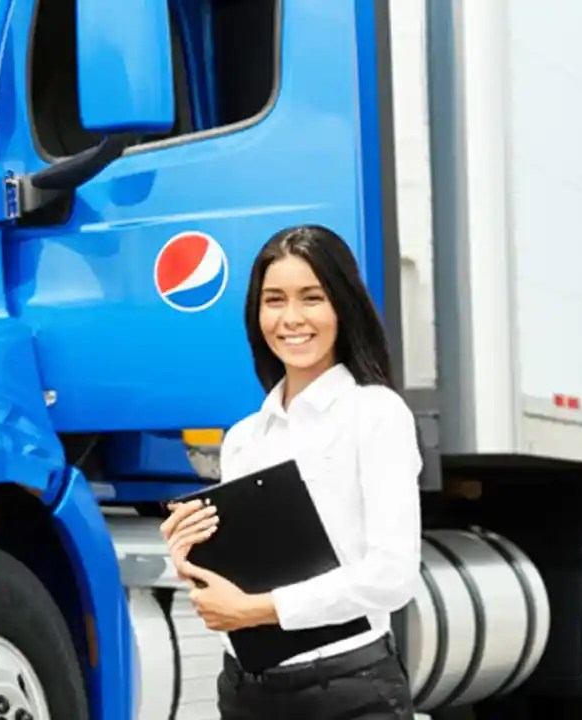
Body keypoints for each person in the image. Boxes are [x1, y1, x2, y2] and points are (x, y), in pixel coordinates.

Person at [161, 224, 422, 719]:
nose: (292, 318)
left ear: (343, 306)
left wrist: (259, 610)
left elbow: (392, 576)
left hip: (347, 691)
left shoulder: (375, 413)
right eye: (274, 300)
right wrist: (192, 558)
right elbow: (245, 575)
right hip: (246, 692)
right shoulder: (243, 438)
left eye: (312, 298)